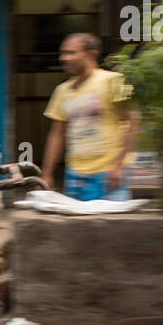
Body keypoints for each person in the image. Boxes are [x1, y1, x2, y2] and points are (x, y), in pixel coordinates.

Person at [41, 33, 140, 202]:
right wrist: (47, 173)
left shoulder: (113, 81)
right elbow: (56, 135)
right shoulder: (62, 91)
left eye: (71, 53)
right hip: (75, 174)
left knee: (112, 226)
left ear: (91, 54)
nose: (63, 58)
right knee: (79, 226)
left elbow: (134, 123)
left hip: (108, 174)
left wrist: (119, 167)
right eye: (62, 53)